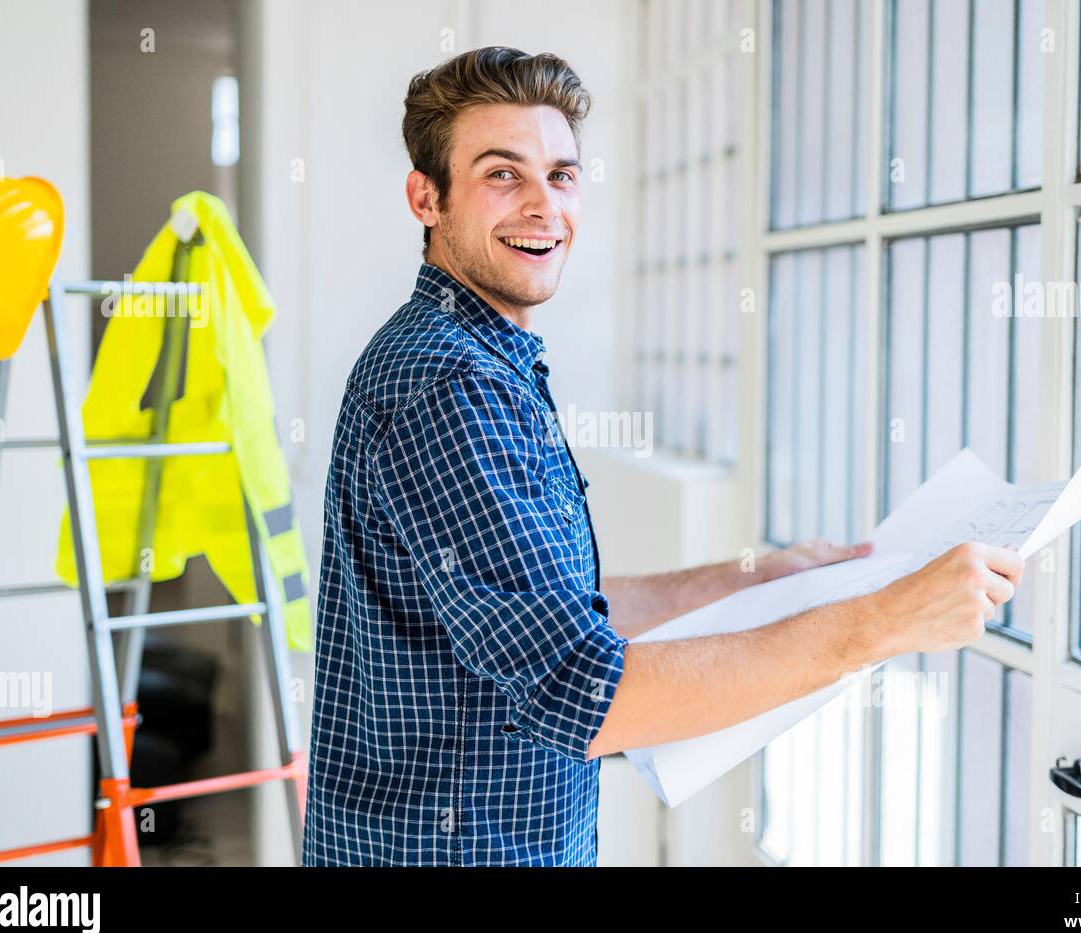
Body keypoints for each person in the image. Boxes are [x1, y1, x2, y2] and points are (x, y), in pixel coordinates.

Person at [303, 47, 1023, 866]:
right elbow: (585, 692)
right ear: (425, 197)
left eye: (563, 176)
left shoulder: (480, 358)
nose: (545, 207)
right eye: (503, 175)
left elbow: (540, 607)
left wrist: (753, 581)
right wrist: (882, 623)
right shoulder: (452, 384)